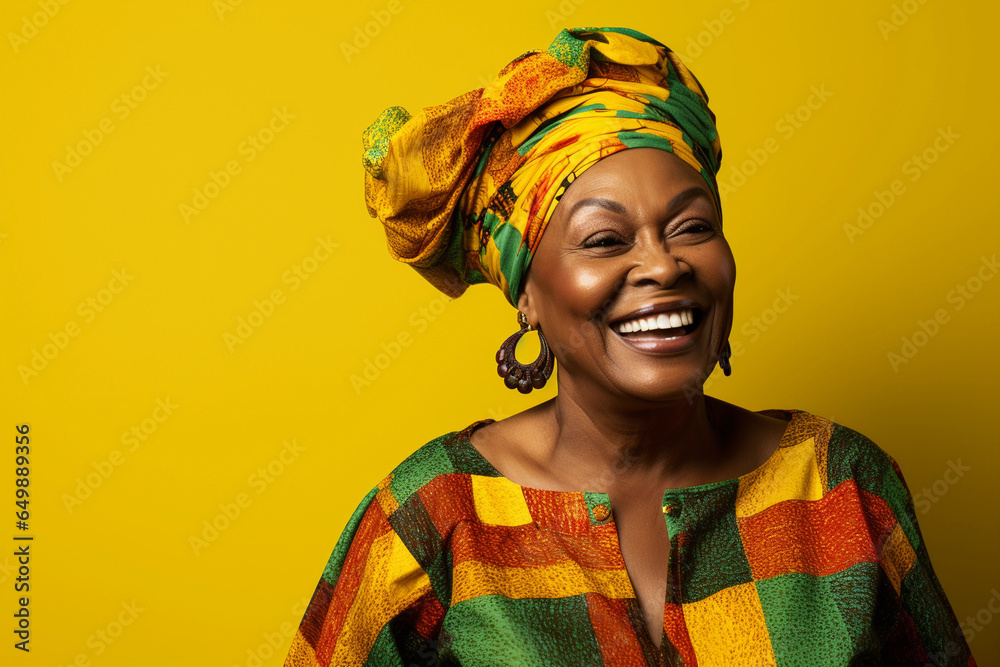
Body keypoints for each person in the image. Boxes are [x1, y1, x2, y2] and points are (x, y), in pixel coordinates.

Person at [284, 27, 976, 666]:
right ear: (527, 293)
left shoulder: (844, 488)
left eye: (692, 226)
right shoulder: (431, 520)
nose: (664, 266)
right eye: (606, 240)